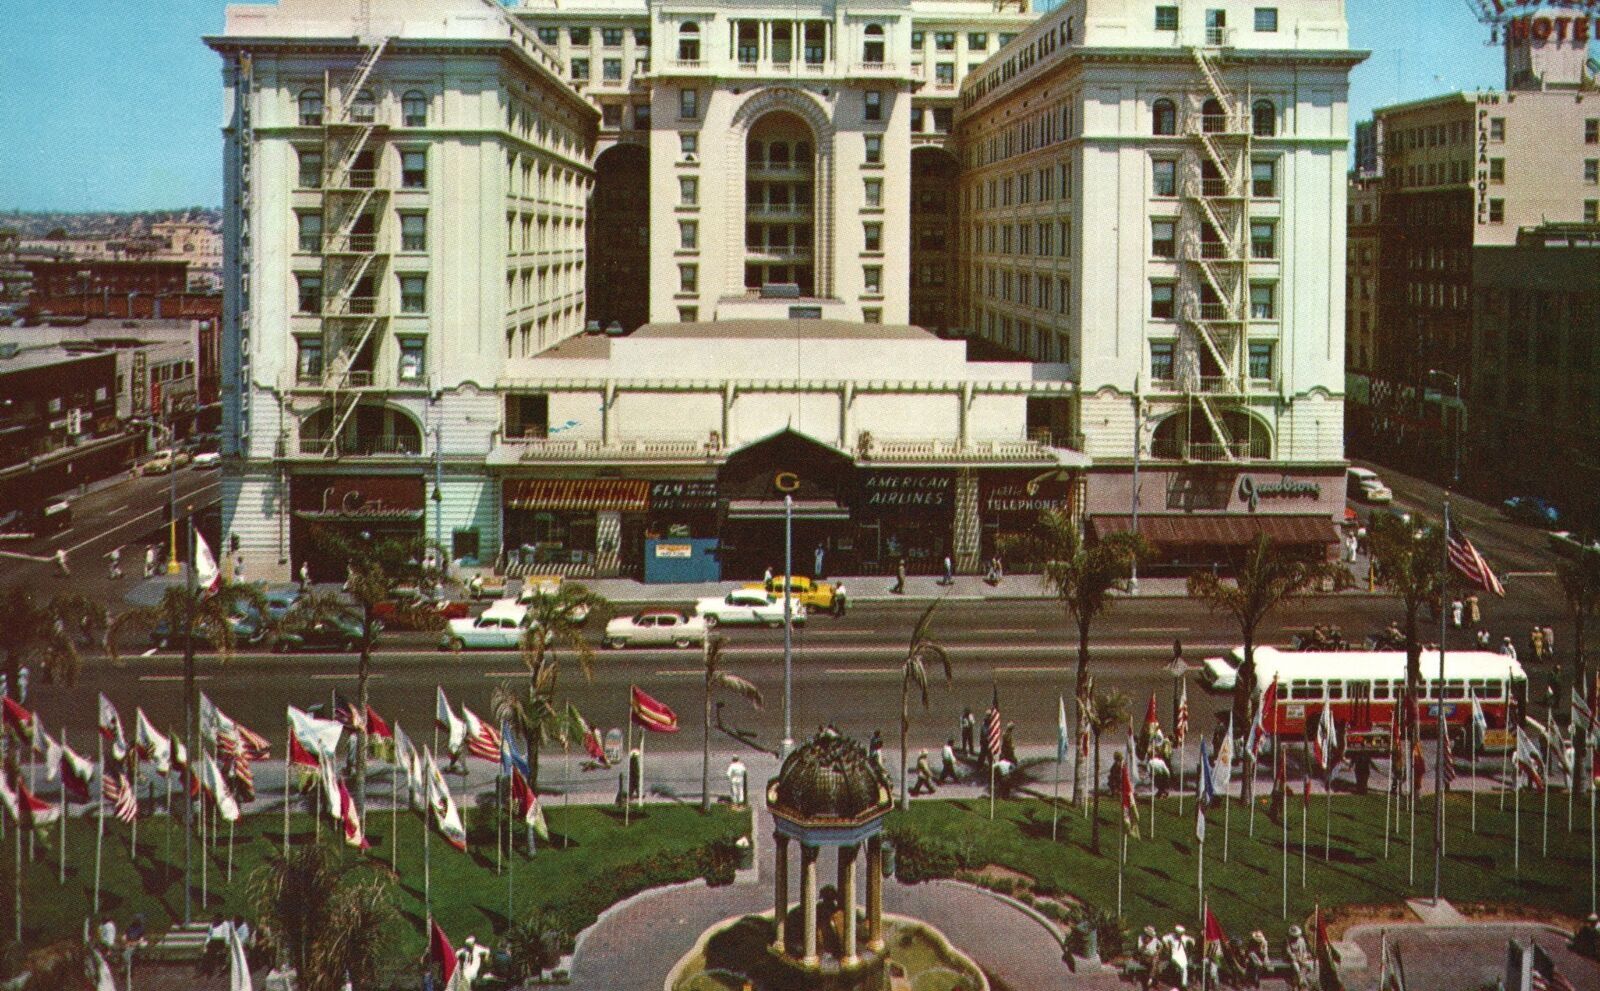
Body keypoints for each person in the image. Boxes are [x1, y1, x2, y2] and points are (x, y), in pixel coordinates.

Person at [1286, 924, 1313, 991]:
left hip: (1302, 958)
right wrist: (1295, 957)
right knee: (1297, 968)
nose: (1296, 937)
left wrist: (1305, 956)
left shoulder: (1302, 940)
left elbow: (1304, 950)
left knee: (1308, 966)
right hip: (1293, 959)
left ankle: (1298, 983)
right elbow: (1289, 952)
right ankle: (1301, 984)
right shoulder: (1288, 941)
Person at [1136, 926, 1162, 990]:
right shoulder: (1141, 938)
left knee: (1155, 961)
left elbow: (1161, 946)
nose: (1150, 937)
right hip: (1145, 956)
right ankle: (1153, 981)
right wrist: (1145, 943)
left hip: (1154, 956)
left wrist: (1158, 952)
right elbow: (1140, 950)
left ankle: (1150, 980)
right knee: (1155, 963)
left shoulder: (1154, 938)